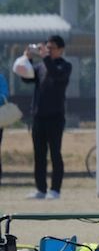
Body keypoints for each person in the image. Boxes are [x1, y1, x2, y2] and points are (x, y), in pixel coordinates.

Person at [22, 36, 72, 200]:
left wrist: (45, 58)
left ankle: (55, 189)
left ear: (61, 49)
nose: (48, 51)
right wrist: (27, 60)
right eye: (47, 47)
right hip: (38, 117)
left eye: (51, 48)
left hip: (55, 117)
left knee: (55, 154)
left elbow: (57, 76)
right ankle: (41, 189)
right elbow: (26, 78)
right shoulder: (40, 66)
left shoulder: (65, 66)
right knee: (39, 154)